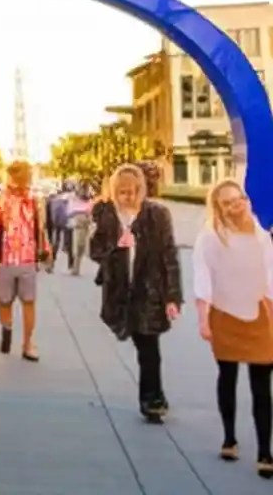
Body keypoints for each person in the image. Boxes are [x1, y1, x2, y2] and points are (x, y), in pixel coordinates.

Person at [194, 179, 273, 478]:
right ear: (217, 208)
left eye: (238, 199)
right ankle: (229, 439)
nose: (235, 206)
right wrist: (203, 318)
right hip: (224, 314)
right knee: (227, 377)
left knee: (262, 386)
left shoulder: (261, 236)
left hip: (259, 315)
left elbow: (271, 276)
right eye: (227, 202)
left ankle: (265, 452)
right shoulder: (210, 238)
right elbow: (203, 278)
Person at [90, 163, 181, 423]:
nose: (128, 197)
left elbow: (169, 255)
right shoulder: (106, 214)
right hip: (120, 291)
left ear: (141, 189)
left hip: (149, 290)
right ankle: (155, 395)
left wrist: (173, 296)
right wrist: (117, 246)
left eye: (132, 191)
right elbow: (95, 251)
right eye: (122, 192)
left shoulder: (157, 215)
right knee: (141, 343)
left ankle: (151, 400)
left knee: (148, 345)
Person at [0, 160, 50, 362]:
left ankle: (27, 344)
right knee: (5, 301)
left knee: (28, 301)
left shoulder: (34, 200)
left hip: (27, 259)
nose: (23, 180)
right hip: (4, 259)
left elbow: (40, 227)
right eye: (20, 175)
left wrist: (45, 249)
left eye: (25, 175)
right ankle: (7, 328)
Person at [66, 183, 96, 275]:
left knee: (80, 247)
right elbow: (69, 212)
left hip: (83, 225)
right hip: (77, 225)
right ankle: (75, 267)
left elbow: (91, 213)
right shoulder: (74, 200)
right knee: (77, 246)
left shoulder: (89, 201)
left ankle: (75, 267)